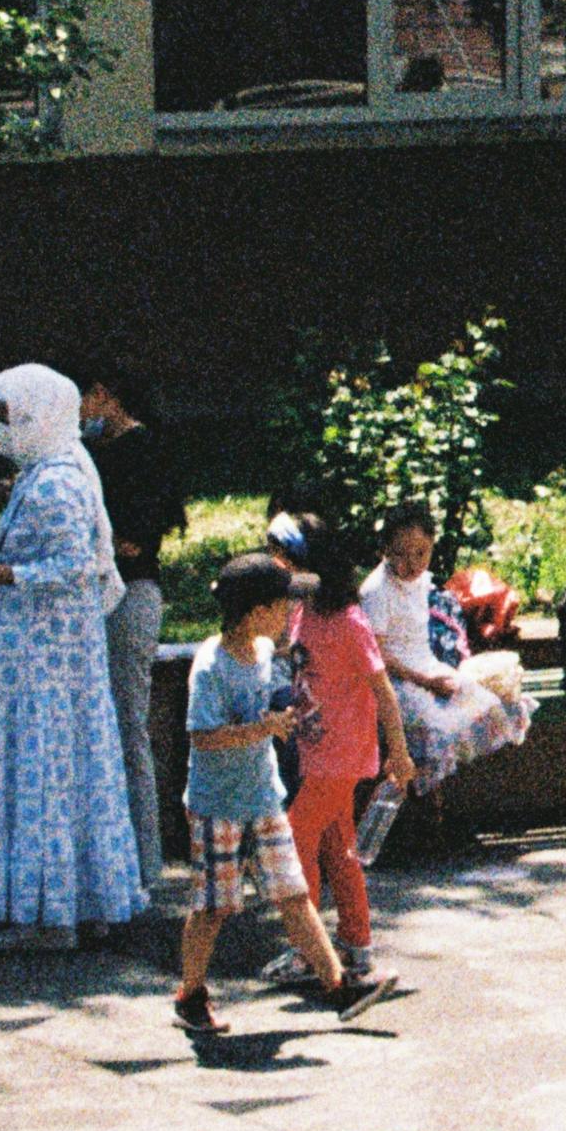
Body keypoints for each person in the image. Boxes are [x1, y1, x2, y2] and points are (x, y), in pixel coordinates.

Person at [0, 365, 150, 951]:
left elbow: (74, 566)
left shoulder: (57, 478)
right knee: (66, 775)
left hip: (44, 664)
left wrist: (2, 572)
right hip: (41, 661)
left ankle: (47, 915)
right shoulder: (50, 469)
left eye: (8, 414)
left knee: (44, 774)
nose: (1, 426)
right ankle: (77, 902)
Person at [172, 552, 372, 1048]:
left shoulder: (264, 651)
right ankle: (191, 994)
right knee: (214, 907)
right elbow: (202, 736)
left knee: (293, 894)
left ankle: (339, 987)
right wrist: (261, 728)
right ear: (256, 611)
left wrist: (288, 708)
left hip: (263, 797)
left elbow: (277, 694)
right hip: (218, 804)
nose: (288, 615)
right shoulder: (211, 666)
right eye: (282, 605)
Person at [77, 366, 183, 884]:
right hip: (106, 594)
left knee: (126, 726)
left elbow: (135, 539)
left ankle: (144, 858)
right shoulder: (94, 455)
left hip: (130, 594)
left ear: (101, 394)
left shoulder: (144, 452)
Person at [278, 544, 393, 996]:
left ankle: (308, 949)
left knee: (295, 834)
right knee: (338, 844)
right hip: (317, 750)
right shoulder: (303, 611)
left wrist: (399, 755)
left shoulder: (349, 621)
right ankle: (356, 940)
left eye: (284, 561)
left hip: (343, 754)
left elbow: (382, 690)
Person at [363, 509, 536, 786]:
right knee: (438, 731)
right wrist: (426, 681)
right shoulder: (376, 591)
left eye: (421, 553)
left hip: (427, 667)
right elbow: (377, 657)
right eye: (401, 554)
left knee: (490, 706)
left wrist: (436, 676)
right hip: (393, 682)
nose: (412, 563)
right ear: (385, 550)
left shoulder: (420, 580)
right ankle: (417, 795)